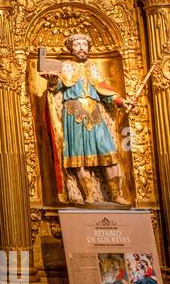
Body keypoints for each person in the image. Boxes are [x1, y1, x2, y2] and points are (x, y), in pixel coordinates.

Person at [40, 33, 135, 205]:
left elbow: (104, 90)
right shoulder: (66, 67)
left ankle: (115, 194)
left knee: (107, 150)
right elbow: (57, 87)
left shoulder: (93, 68)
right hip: (73, 113)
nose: (82, 47)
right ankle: (89, 194)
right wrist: (52, 81)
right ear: (71, 48)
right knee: (79, 155)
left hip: (95, 113)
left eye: (84, 44)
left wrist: (121, 101)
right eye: (77, 45)